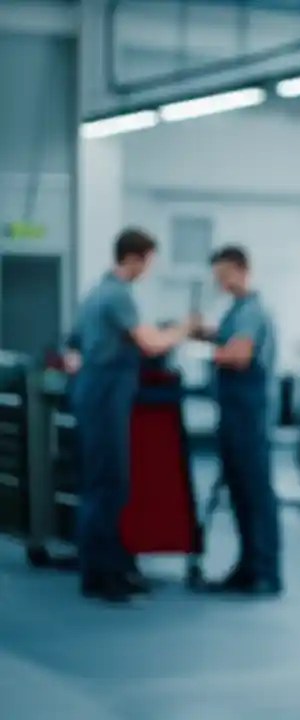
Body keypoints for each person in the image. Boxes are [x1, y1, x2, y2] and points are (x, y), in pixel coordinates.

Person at [69, 227, 191, 604]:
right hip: (106, 396)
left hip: (96, 393)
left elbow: (73, 344)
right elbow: (150, 342)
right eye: (150, 261)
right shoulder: (118, 295)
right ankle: (102, 576)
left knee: (103, 483)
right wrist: (184, 329)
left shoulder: (95, 292)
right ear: (136, 257)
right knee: (109, 485)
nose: (149, 270)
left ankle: (112, 567)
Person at [189, 245, 282, 596]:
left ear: (242, 269)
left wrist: (203, 351)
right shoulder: (238, 312)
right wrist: (208, 335)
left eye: (224, 274)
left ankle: (264, 571)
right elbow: (230, 340)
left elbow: (239, 355)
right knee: (241, 493)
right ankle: (248, 567)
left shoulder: (251, 312)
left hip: (249, 416)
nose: (220, 282)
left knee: (255, 494)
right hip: (235, 414)